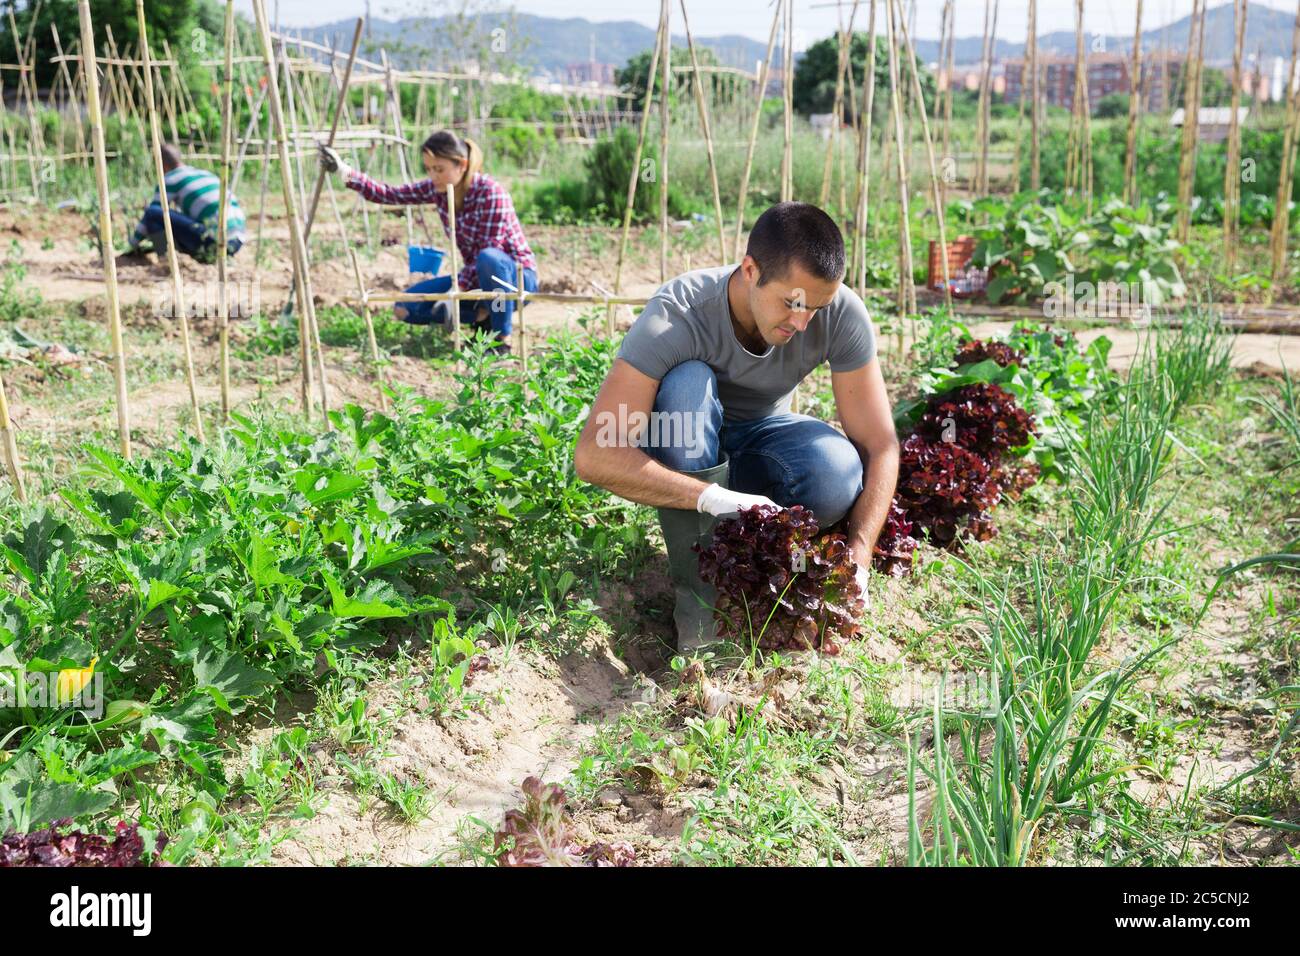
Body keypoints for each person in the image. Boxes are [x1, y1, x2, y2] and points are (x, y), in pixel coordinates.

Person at [573, 202, 900, 653]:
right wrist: (708, 496)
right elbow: (594, 454)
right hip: (682, 453)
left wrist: (859, 558)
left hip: (758, 441)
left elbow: (880, 444)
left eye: (816, 308)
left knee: (837, 469)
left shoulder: (840, 314)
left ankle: (753, 564)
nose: (802, 323)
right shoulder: (677, 315)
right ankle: (702, 611)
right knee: (689, 385)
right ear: (750, 269)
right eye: (792, 303)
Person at [319, 130, 537, 351]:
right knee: (405, 306)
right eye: (429, 169)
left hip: (511, 280)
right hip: (476, 279)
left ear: (461, 164)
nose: (433, 176)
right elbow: (391, 194)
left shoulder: (490, 193)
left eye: (439, 169)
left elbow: (491, 254)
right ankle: (480, 316)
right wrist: (344, 172)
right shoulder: (438, 190)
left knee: (489, 260)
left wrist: (458, 288)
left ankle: (500, 338)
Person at [123, 144, 245, 262]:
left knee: (153, 213)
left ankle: (167, 259)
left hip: (215, 242)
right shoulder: (204, 173)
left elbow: (152, 214)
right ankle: (171, 256)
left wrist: (132, 245)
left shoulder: (171, 179)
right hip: (236, 242)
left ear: (161, 165)